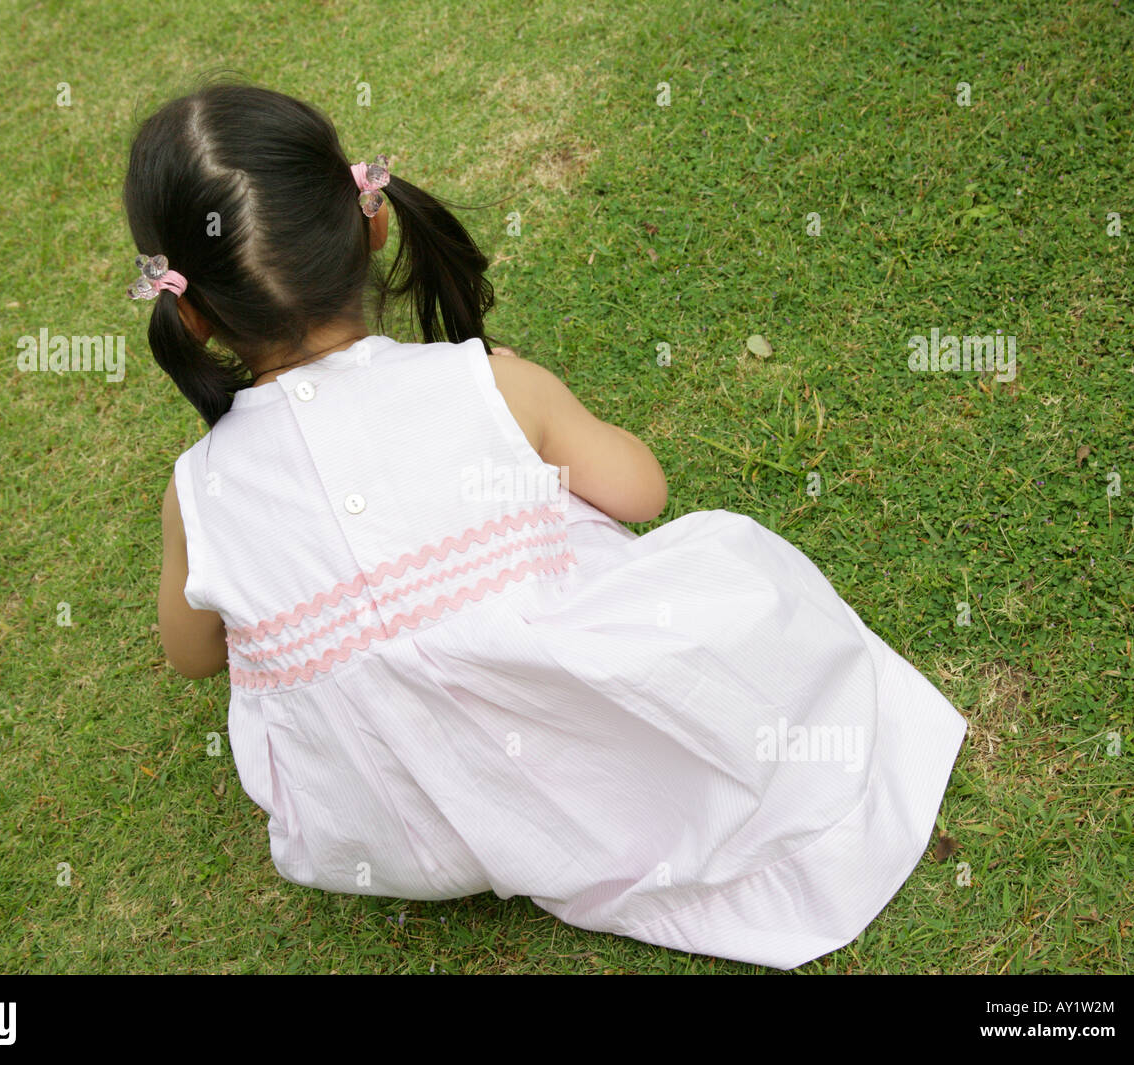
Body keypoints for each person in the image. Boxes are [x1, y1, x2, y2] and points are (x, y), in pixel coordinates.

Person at [123, 79, 967, 970]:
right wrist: (534, 406)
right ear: (372, 222)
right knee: (734, 576)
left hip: (378, 833)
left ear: (188, 307)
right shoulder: (484, 384)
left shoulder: (195, 491)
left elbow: (192, 653)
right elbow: (641, 490)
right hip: (556, 763)